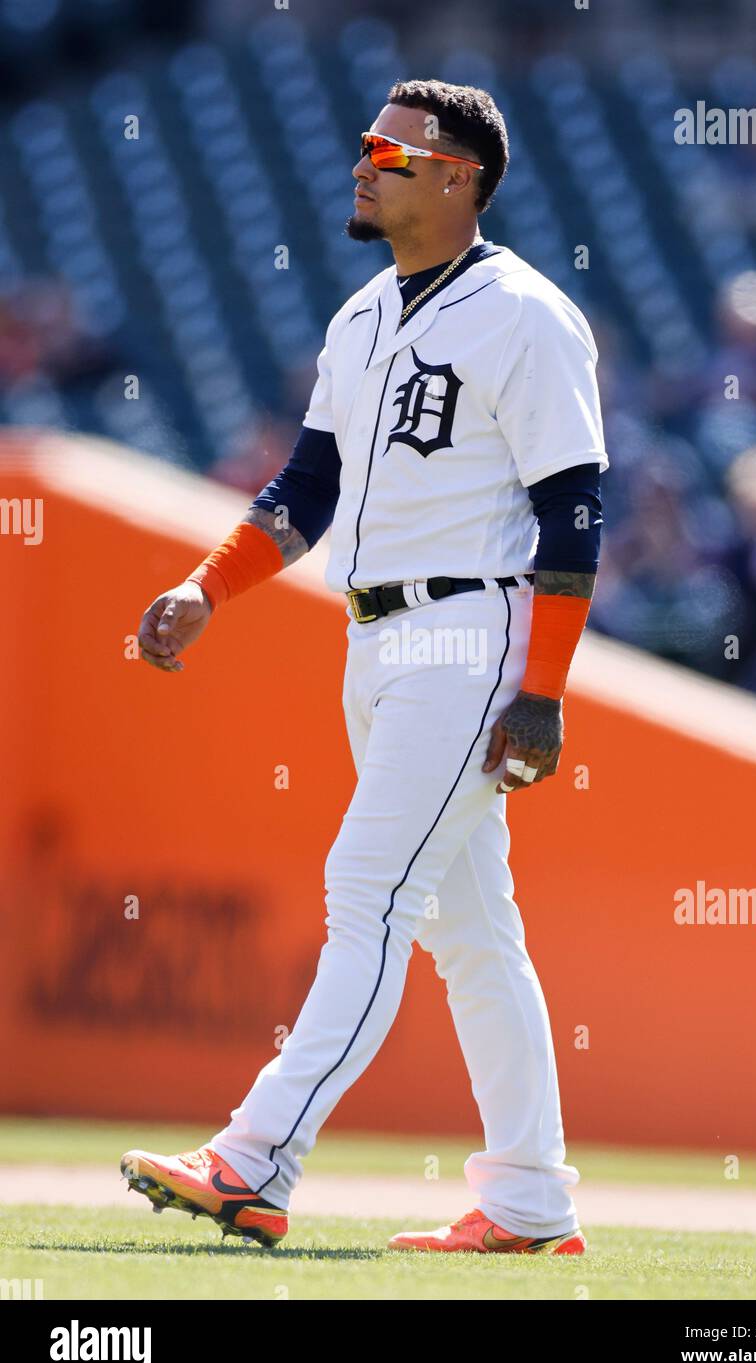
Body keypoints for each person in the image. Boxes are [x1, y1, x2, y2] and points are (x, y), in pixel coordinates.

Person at [122, 79, 607, 1256]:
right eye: (365, 145)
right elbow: (307, 492)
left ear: (459, 175)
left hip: (468, 629)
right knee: (468, 927)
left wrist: (540, 689)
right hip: (375, 633)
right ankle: (530, 1195)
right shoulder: (359, 318)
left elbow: (573, 512)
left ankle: (254, 1158)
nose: (364, 163)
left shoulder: (525, 313)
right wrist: (207, 587)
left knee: (367, 893)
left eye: (390, 149)